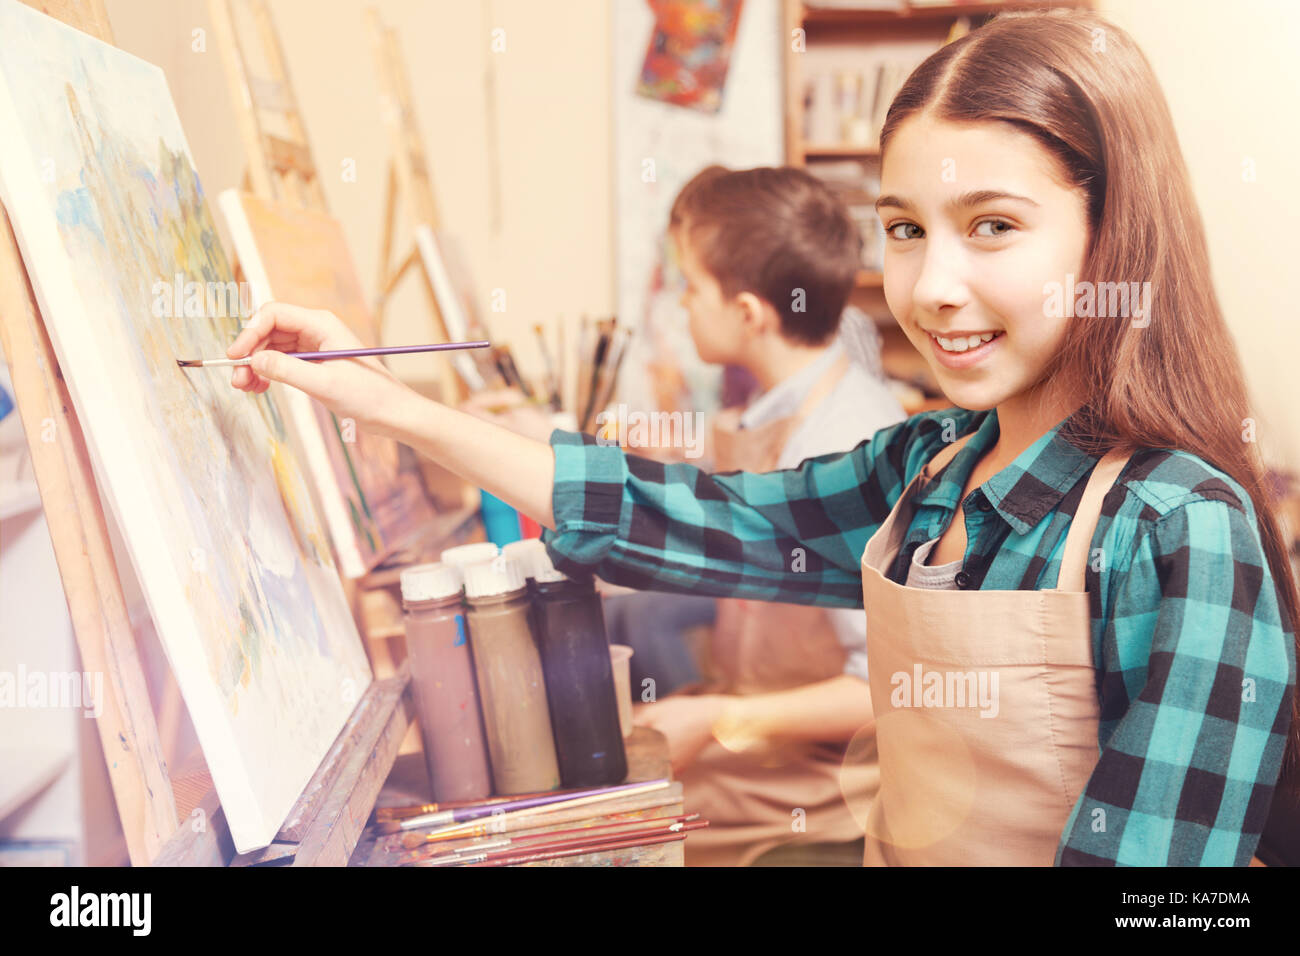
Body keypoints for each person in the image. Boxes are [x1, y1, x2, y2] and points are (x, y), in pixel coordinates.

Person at [225, 7, 1298, 865]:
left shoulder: (1177, 527)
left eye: (993, 227)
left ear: (1113, 236)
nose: (932, 284)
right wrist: (391, 403)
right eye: (905, 229)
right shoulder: (926, 467)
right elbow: (674, 515)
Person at [608, 165, 906, 865]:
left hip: (823, 786)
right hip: (766, 732)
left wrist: (720, 718)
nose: (682, 304)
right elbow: (738, 449)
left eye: (691, 287)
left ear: (748, 313)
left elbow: (884, 693)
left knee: (614, 834)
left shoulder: (842, 444)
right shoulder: (789, 403)